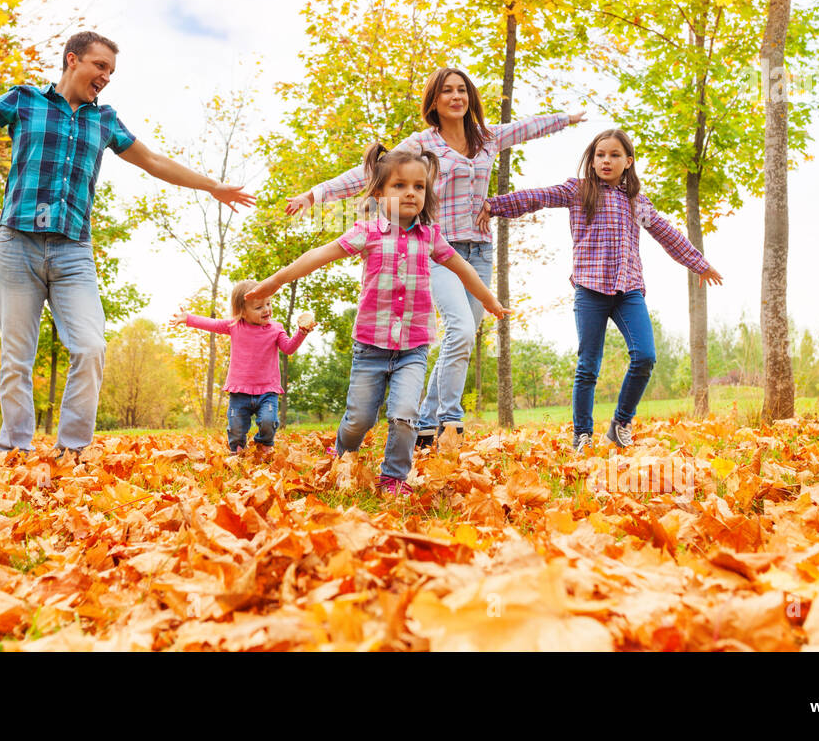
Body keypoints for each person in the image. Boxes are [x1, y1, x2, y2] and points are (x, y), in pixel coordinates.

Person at [0, 31, 254, 459]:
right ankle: (15, 449)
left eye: (111, 71)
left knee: (91, 348)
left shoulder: (104, 120)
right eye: (100, 66)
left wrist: (213, 186)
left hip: (73, 250)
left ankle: (71, 451)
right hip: (18, 244)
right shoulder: (24, 101)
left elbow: (154, 161)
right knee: (17, 357)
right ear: (73, 60)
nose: (106, 77)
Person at [285, 67, 584, 447]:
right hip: (438, 250)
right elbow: (371, 173)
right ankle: (449, 421)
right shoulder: (421, 144)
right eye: (447, 91)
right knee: (458, 328)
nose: (456, 97)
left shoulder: (485, 139)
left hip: (480, 249)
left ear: (470, 98)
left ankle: (424, 422)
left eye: (462, 90)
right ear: (435, 100)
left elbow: (526, 127)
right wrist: (316, 194)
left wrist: (565, 120)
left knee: (462, 340)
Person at [251, 144, 508, 494]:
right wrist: (274, 281)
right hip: (370, 347)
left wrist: (489, 299)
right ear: (378, 192)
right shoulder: (367, 231)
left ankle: (393, 477)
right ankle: (343, 450)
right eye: (399, 186)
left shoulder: (430, 236)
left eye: (419, 187)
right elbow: (319, 255)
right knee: (359, 419)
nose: (410, 193)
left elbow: (462, 268)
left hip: (413, 348)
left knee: (405, 415)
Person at [477, 128, 723, 452]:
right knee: (588, 365)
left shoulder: (637, 202)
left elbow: (667, 233)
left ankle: (620, 423)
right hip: (590, 290)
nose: (606, 160)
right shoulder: (577, 191)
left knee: (645, 355)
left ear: (628, 162)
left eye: (614, 155)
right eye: (600, 155)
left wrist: (698, 263)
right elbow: (537, 196)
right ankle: (582, 434)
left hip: (628, 290)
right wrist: (494, 206)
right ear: (592, 162)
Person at [171, 280, 315, 455]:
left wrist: (301, 333)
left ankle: (264, 445)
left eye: (268, 304)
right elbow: (212, 324)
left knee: (269, 421)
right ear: (242, 312)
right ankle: (238, 450)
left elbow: (289, 348)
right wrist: (188, 318)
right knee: (236, 425)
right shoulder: (235, 326)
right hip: (239, 391)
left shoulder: (276, 329)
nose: (267, 310)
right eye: (259, 307)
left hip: (267, 390)